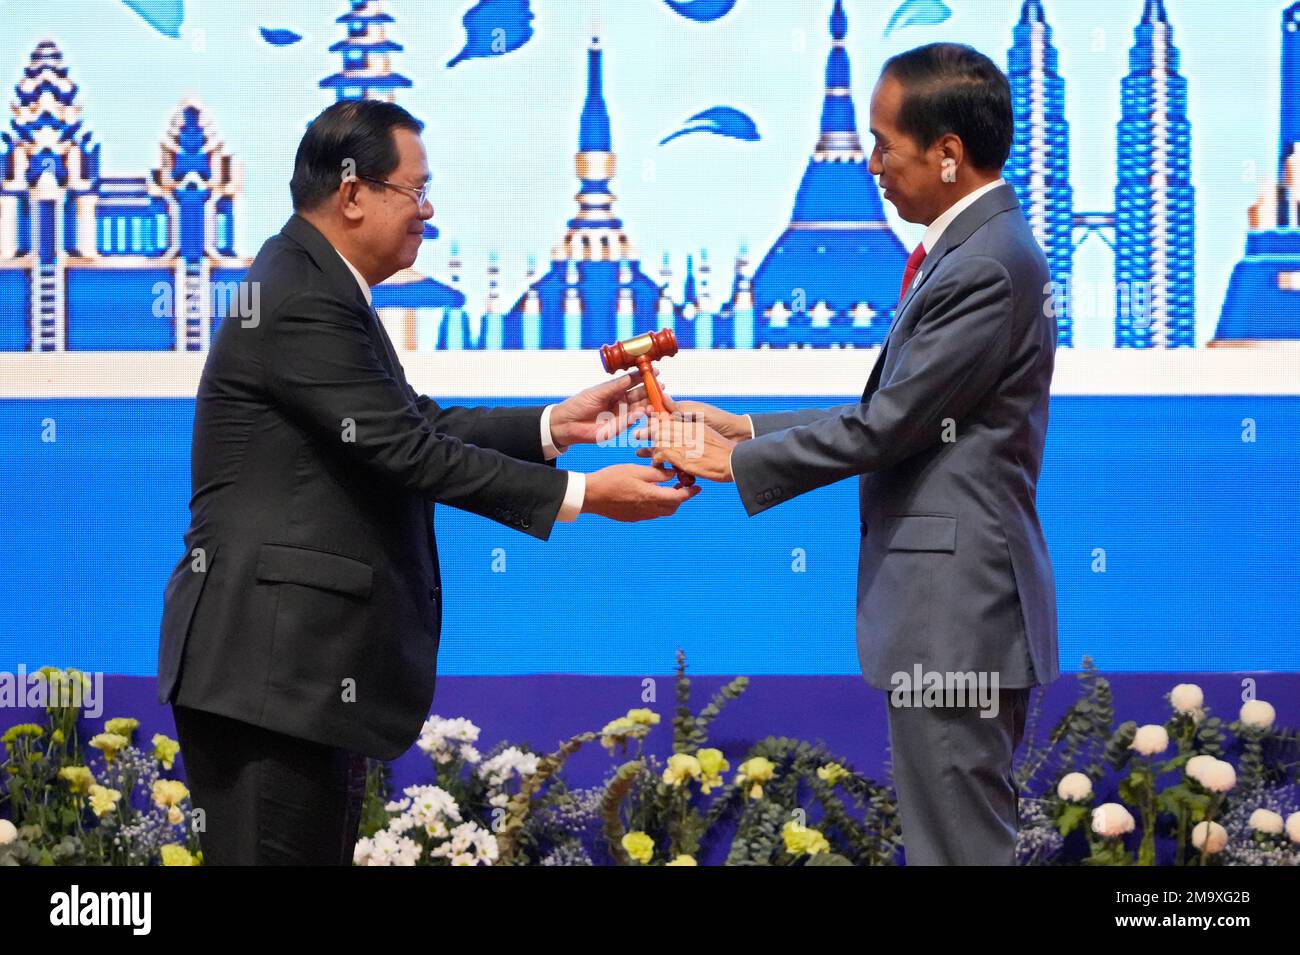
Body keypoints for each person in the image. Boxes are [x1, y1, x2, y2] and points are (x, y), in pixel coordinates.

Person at [157, 98, 698, 865]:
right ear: (352, 194)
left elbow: (412, 424)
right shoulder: (302, 297)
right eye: (415, 191)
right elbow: (409, 451)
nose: (428, 209)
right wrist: (582, 495)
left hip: (294, 680)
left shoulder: (316, 282)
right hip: (269, 678)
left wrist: (558, 425)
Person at [645, 42, 1059, 865]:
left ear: (947, 155)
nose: (871, 163)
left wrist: (737, 466)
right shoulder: (973, 249)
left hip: (958, 617)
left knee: (959, 849)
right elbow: (895, 411)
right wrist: (746, 429)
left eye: (883, 144)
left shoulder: (986, 263)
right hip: (950, 616)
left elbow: (889, 426)